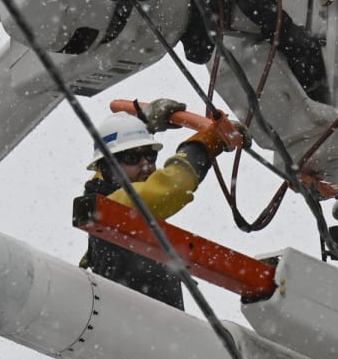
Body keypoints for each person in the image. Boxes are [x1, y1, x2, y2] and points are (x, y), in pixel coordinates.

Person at [78, 102, 239, 309]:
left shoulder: (106, 199)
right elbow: (173, 187)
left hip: (153, 329)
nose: (147, 165)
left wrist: (143, 124)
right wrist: (206, 143)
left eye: (150, 155)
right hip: (143, 331)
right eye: (132, 157)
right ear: (106, 166)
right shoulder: (115, 205)